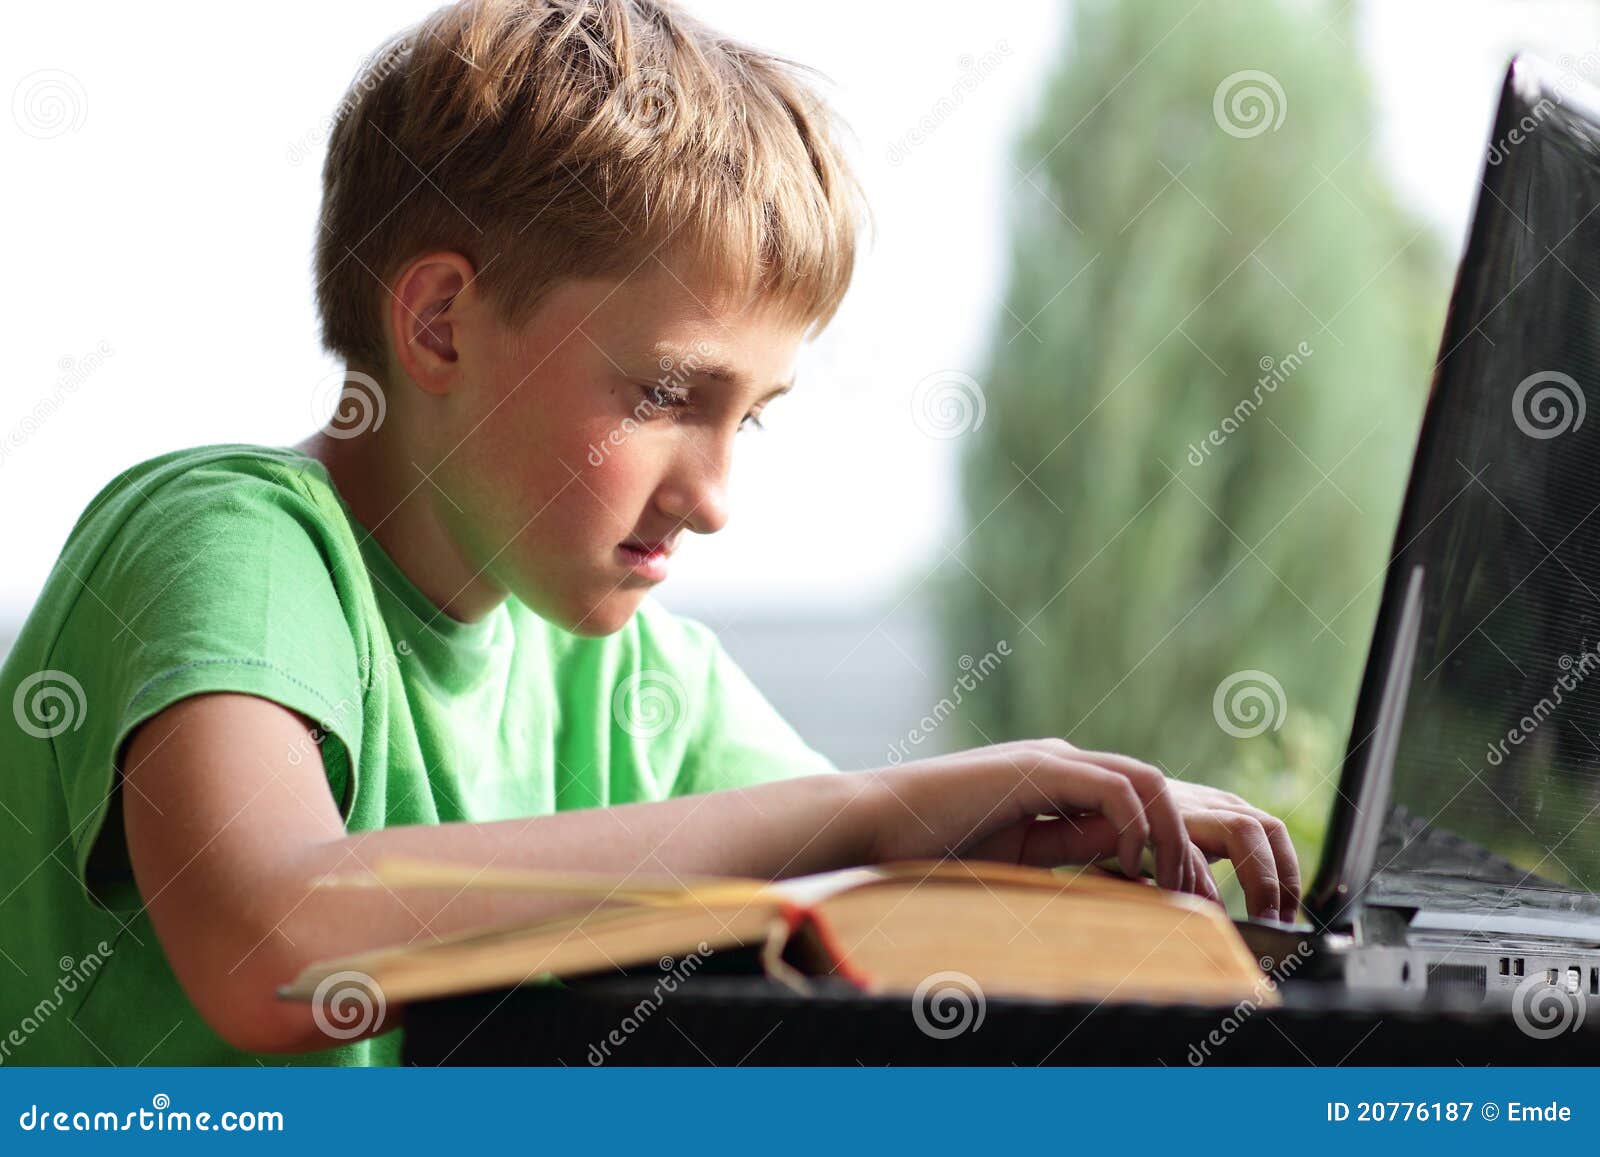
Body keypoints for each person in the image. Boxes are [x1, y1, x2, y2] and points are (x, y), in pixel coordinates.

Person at [0, 0, 1299, 1066]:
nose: (714, 494)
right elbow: (269, 947)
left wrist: (1046, 855)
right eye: (668, 396)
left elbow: (849, 875)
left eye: (755, 418)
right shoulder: (225, 543)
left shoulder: (630, 680)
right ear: (441, 324)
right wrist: (880, 807)